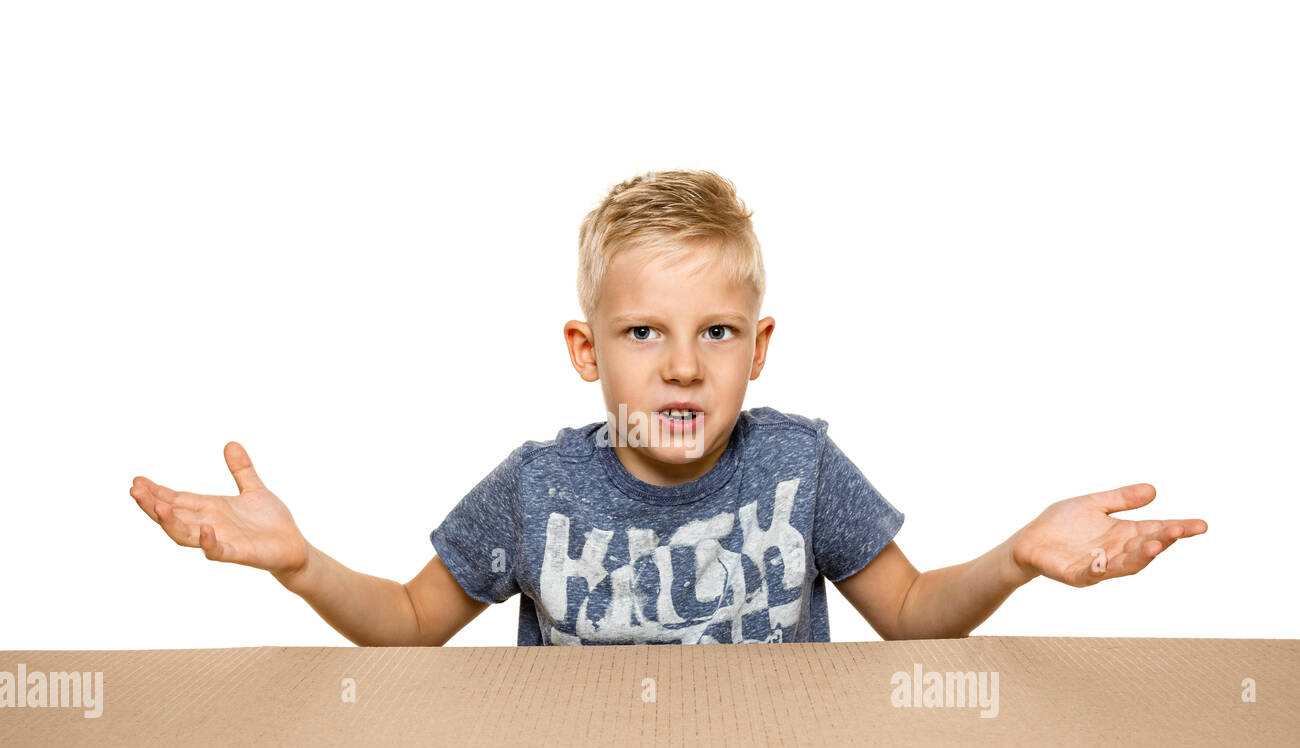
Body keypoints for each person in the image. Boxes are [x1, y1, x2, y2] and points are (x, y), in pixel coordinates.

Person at [129, 170, 1208, 646]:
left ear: (758, 350)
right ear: (585, 349)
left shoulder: (801, 467)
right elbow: (411, 628)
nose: (683, 366)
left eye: (717, 333)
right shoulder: (536, 485)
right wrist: (302, 560)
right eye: (645, 332)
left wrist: (1018, 554)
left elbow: (915, 611)